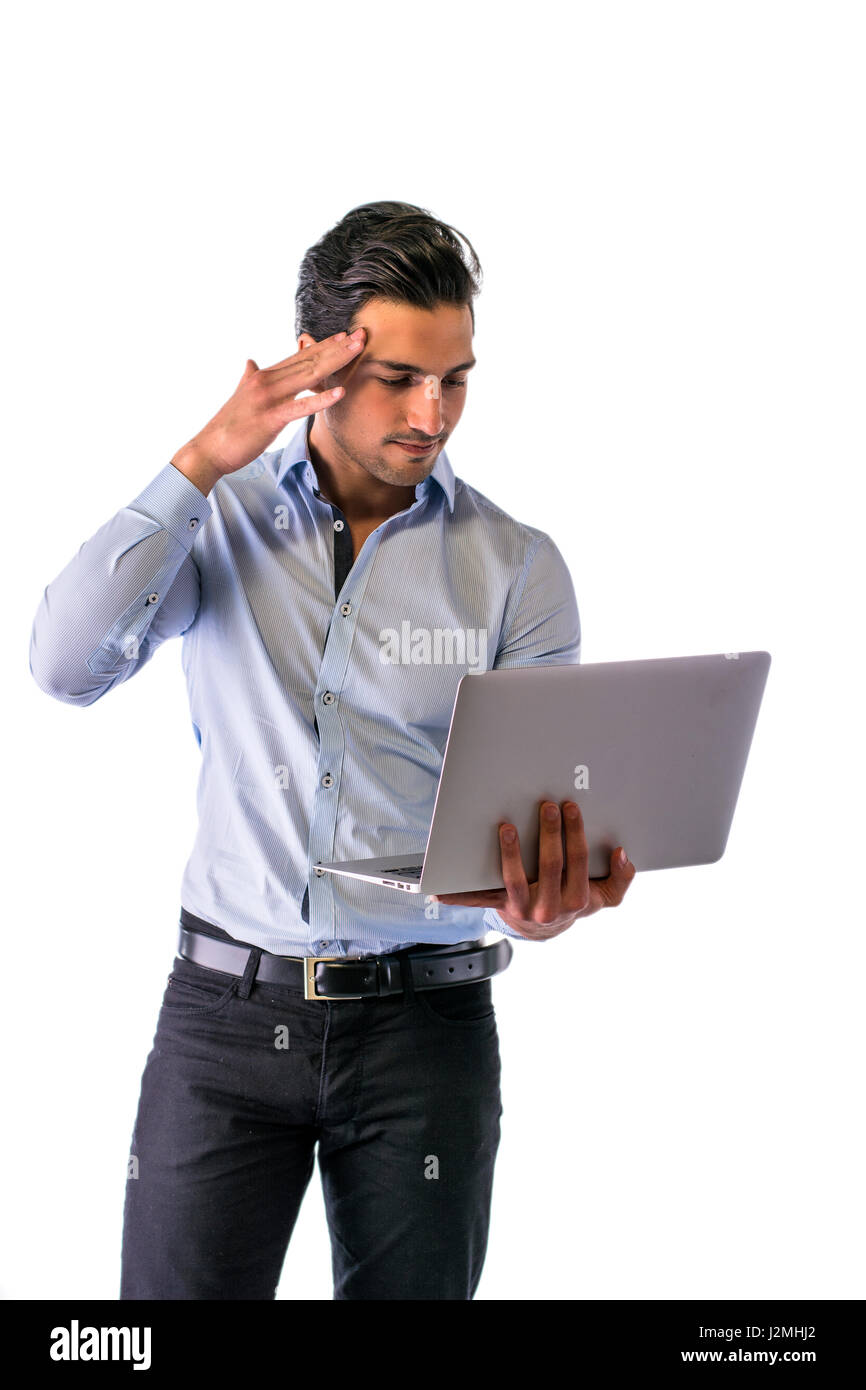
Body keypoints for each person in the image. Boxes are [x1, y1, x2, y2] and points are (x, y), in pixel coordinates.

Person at [29, 200, 635, 1301]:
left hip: (427, 1032)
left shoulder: (517, 568)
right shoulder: (216, 521)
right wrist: (202, 459)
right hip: (224, 1019)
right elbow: (66, 666)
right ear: (319, 362)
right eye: (399, 377)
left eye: (454, 379)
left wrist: (538, 907)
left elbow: (531, 822)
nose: (432, 412)